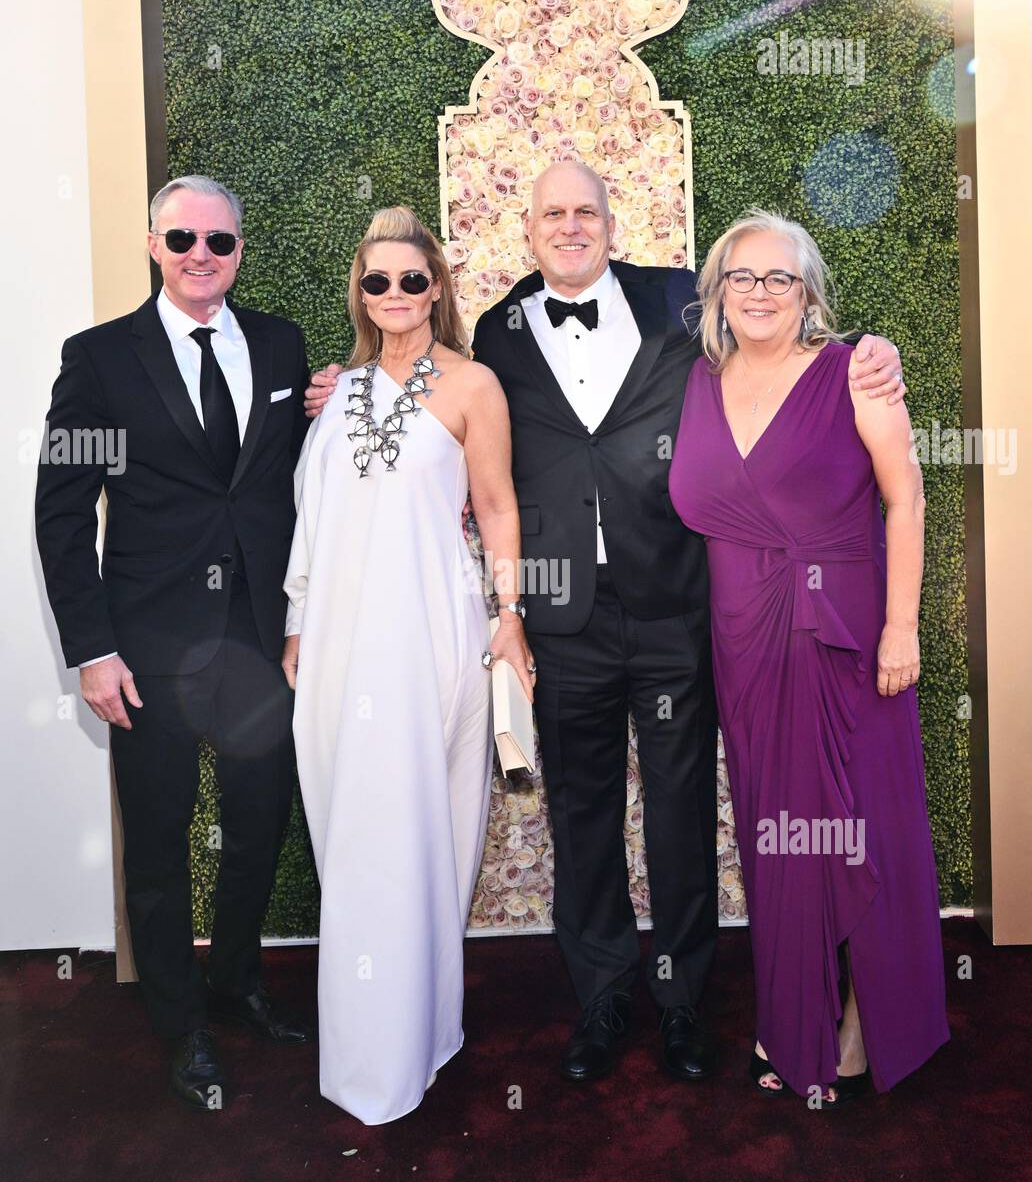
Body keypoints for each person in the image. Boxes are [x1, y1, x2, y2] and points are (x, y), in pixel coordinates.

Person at [304, 160, 906, 1085]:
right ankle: (602, 1000)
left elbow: (778, 323)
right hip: (558, 617)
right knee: (581, 816)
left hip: (677, 603)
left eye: (587, 211)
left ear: (612, 223)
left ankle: (680, 1006)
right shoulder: (497, 333)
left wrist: (871, 349)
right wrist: (339, 389)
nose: (571, 227)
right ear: (530, 229)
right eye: (554, 215)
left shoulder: (680, 303)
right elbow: (423, 384)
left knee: (679, 816)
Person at [35, 175, 312, 1110]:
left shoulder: (279, 343)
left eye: (221, 242)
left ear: (240, 249)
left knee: (257, 826)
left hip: (257, 644)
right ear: (153, 243)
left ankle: (235, 982)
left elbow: (289, 480)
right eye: (183, 237)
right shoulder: (99, 358)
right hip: (145, 646)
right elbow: (62, 514)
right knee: (156, 839)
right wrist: (91, 649)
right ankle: (178, 1020)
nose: (203, 254)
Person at [669, 208, 950, 1105]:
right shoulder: (697, 383)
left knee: (863, 825)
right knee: (781, 834)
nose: (759, 293)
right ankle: (798, 1018)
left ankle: (871, 1020)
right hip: (745, 645)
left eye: (779, 278)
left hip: (848, 638)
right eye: (741, 277)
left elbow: (904, 502)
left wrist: (901, 627)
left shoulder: (854, 371)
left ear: (808, 293)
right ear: (715, 292)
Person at [283, 206, 534, 1125]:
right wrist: (300, 621)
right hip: (339, 647)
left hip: (432, 635)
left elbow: (499, 510)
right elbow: (312, 518)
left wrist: (512, 618)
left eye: (412, 280)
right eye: (376, 281)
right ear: (361, 291)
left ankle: (419, 1036)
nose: (394, 295)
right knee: (351, 837)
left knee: (421, 833)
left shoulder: (475, 387)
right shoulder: (337, 390)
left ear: (438, 289)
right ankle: (363, 1044)